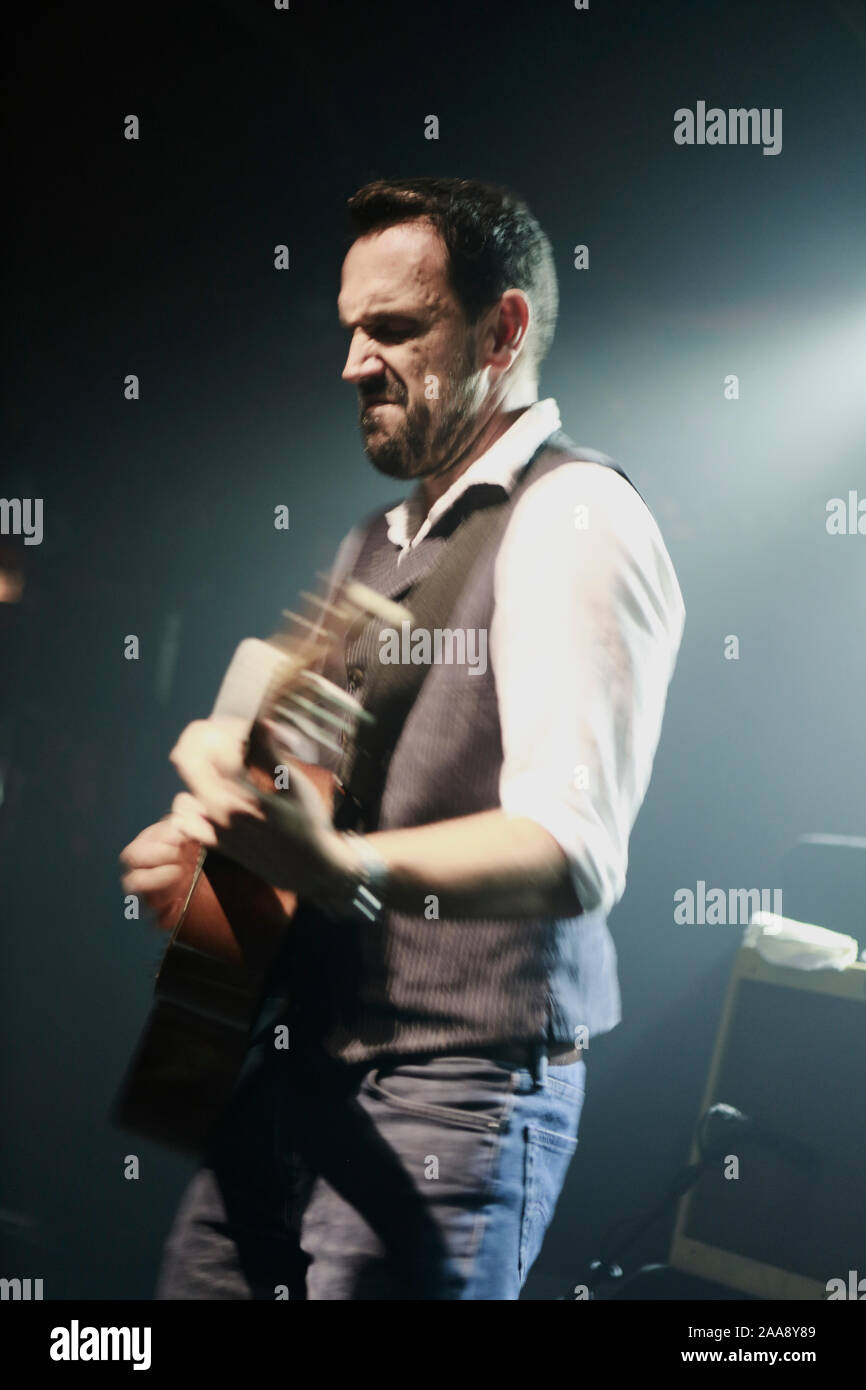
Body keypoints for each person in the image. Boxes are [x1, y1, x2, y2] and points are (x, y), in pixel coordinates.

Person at [119, 176, 686, 1300]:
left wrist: (344, 867)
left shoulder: (574, 514)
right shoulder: (373, 540)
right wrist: (205, 871)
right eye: (348, 330)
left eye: (393, 328)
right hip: (302, 1062)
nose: (352, 362)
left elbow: (573, 849)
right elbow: (313, 818)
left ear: (501, 328)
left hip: (458, 1086)